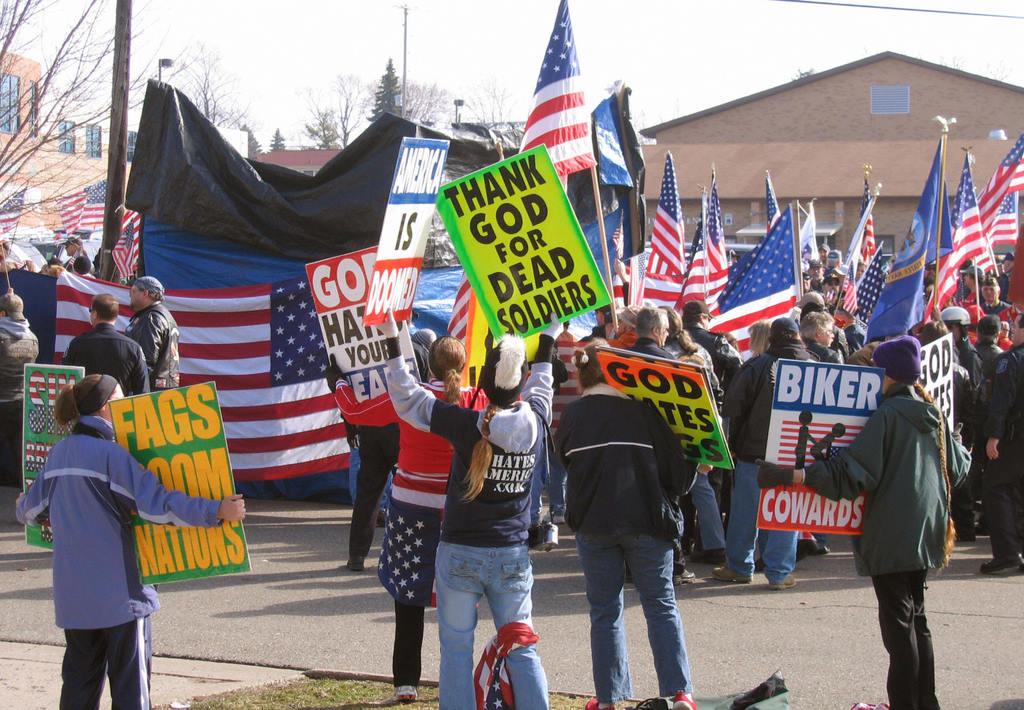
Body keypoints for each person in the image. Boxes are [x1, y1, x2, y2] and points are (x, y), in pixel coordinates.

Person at [757, 335, 969, 710]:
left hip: (893, 533)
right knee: (917, 619)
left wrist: (791, 476)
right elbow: (959, 467)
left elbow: (852, 472)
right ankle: (926, 702)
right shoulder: (931, 412)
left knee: (900, 629)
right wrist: (956, 437)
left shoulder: (888, 414)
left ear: (887, 374)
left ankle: (905, 704)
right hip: (928, 531)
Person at [15, 374, 246, 710]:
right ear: (107, 407)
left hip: (74, 599)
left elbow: (30, 510)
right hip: (120, 598)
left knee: (77, 689)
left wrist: (21, 503)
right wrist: (217, 510)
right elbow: (159, 505)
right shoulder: (112, 455)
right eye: (123, 399)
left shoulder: (59, 453)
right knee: (131, 694)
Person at [383, 313, 557, 709]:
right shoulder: (535, 419)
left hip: (461, 551)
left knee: (456, 649)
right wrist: (548, 335)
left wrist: (394, 337)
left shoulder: (468, 423)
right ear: (520, 384)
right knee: (521, 643)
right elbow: (544, 383)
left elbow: (407, 397)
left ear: (483, 382)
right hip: (512, 554)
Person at [555, 341, 698, 710]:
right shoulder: (644, 412)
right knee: (660, 604)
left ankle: (607, 699)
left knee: (605, 611)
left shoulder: (572, 417)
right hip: (646, 519)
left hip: (594, 523)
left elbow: (567, 467)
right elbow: (677, 478)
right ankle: (679, 691)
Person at [715, 318, 811, 590]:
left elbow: (733, 408)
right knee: (785, 513)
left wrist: (733, 443)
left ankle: (739, 566)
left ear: (773, 338)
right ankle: (779, 573)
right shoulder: (816, 367)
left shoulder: (756, 366)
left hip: (754, 453)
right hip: (797, 455)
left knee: (746, 512)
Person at [325, 354, 400, 572]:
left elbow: (350, 402)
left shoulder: (352, 356)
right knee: (406, 494)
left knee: (368, 494)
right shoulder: (412, 348)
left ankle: (356, 556)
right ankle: (402, 555)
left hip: (370, 427)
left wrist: (337, 382)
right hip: (399, 428)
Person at [979, 312, 1024, 574]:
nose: (1012, 332)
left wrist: (994, 436)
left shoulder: (1012, 360)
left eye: (1016, 328)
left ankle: (1007, 553)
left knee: (996, 488)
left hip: (1014, 437)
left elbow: (1001, 401)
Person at [63, 294, 150, 396]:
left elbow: (65, 379)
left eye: (90, 311)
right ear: (116, 316)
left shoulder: (76, 344)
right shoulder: (133, 348)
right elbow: (142, 391)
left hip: (84, 409)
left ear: (95, 314)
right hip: (118, 409)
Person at [0, 292, 38, 487]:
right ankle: (22, 484)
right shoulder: (32, 337)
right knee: (18, 448)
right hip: (21, 400)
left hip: (2, 398)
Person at [125, 276, 179, 391]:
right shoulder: (163, 314)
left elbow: (146, 359)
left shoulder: (151, 318)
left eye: (133, 291)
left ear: (145, 293)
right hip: (163, 386)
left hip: (152, 390)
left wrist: (136, 389)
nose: (130, 294)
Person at [682, 300, 741, 392]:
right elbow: (738, 367)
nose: (709, 323)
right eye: (708, 319)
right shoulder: (716, 341)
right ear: (702, 318)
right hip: (709, 398)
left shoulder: (667, 339)